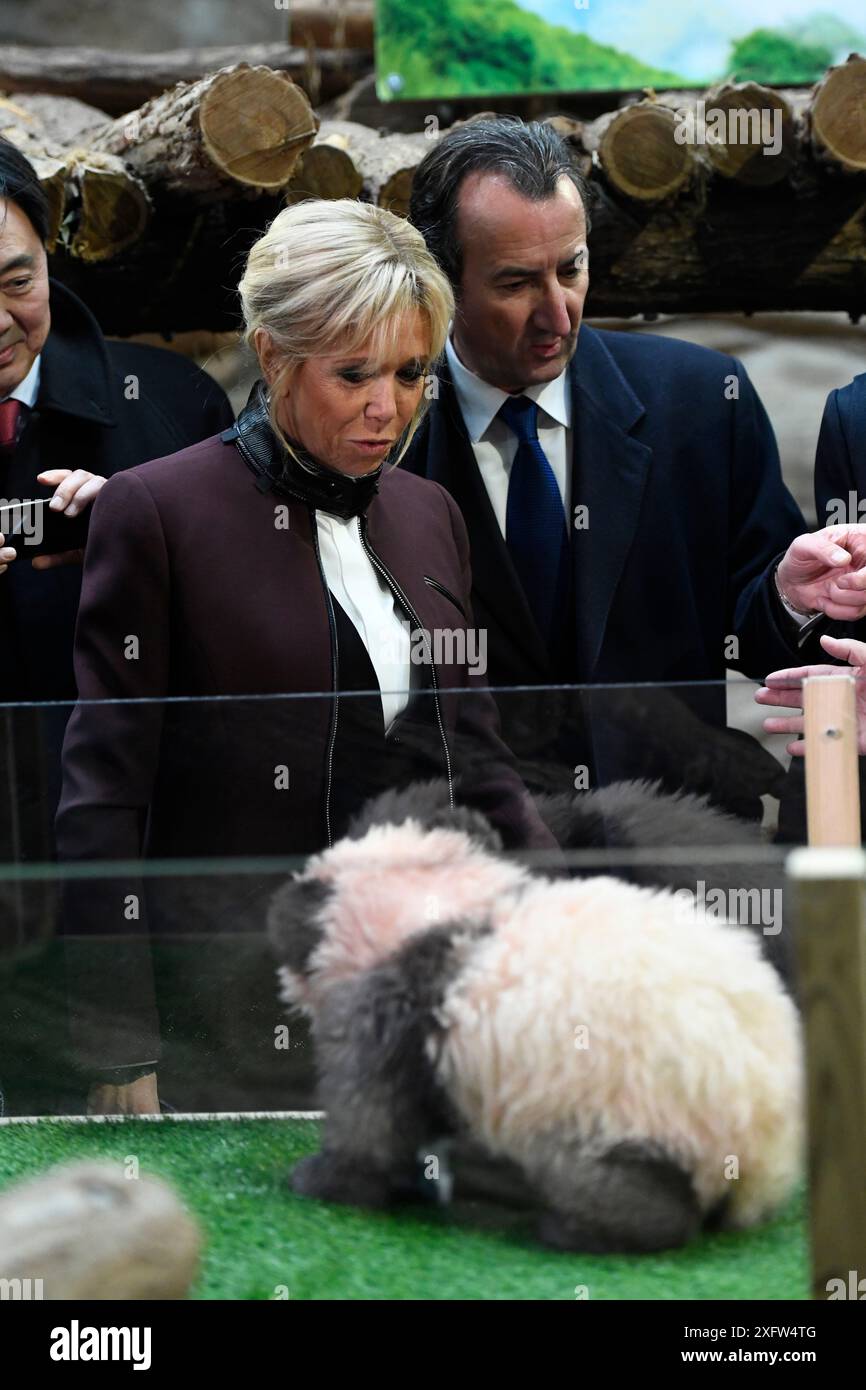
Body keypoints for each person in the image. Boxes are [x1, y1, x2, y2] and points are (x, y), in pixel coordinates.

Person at [54, 197, 557, 1116]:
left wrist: (569, 945)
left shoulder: (429, 513)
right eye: (353, 373)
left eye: (410, 375)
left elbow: (482, 763)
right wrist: (119, 1048)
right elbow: (103, 798)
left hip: (422, 1006)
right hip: (226, 1017)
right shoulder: (157, 511)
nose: (386, 408)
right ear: (274, 354)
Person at [401, 118, 866, 812]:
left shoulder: (703, 400)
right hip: (464, 843)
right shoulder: (383, 433)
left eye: (572, 268)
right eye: (517, 283)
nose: (557, 315)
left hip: (674, 839)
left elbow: (767, 652)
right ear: (439, 282)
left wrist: (790, 595)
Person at [0, 139, 233, 704]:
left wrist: (150, 547)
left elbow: (258, 627)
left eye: (17, 284)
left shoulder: (177, 404)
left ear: (48, 253)